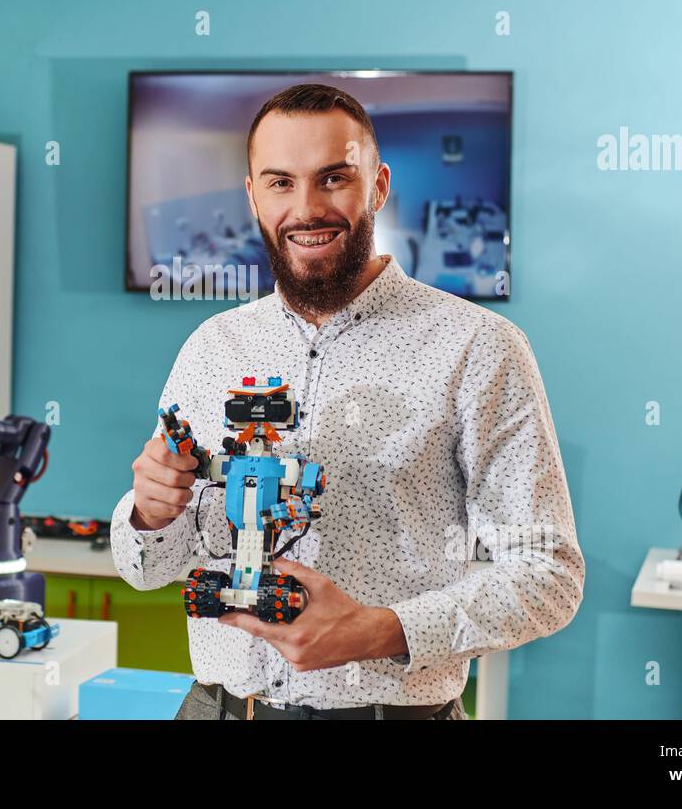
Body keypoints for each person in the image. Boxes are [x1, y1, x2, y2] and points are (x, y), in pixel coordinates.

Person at [111, 83, 584, 720]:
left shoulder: (478, 347)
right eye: (280, 182)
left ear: (378, 185)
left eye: (333, 178)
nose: (306, 208)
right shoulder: (212, 347)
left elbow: (547, 574)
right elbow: (147, 569)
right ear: (252, 195)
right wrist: (147, 512)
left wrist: (385, 630)